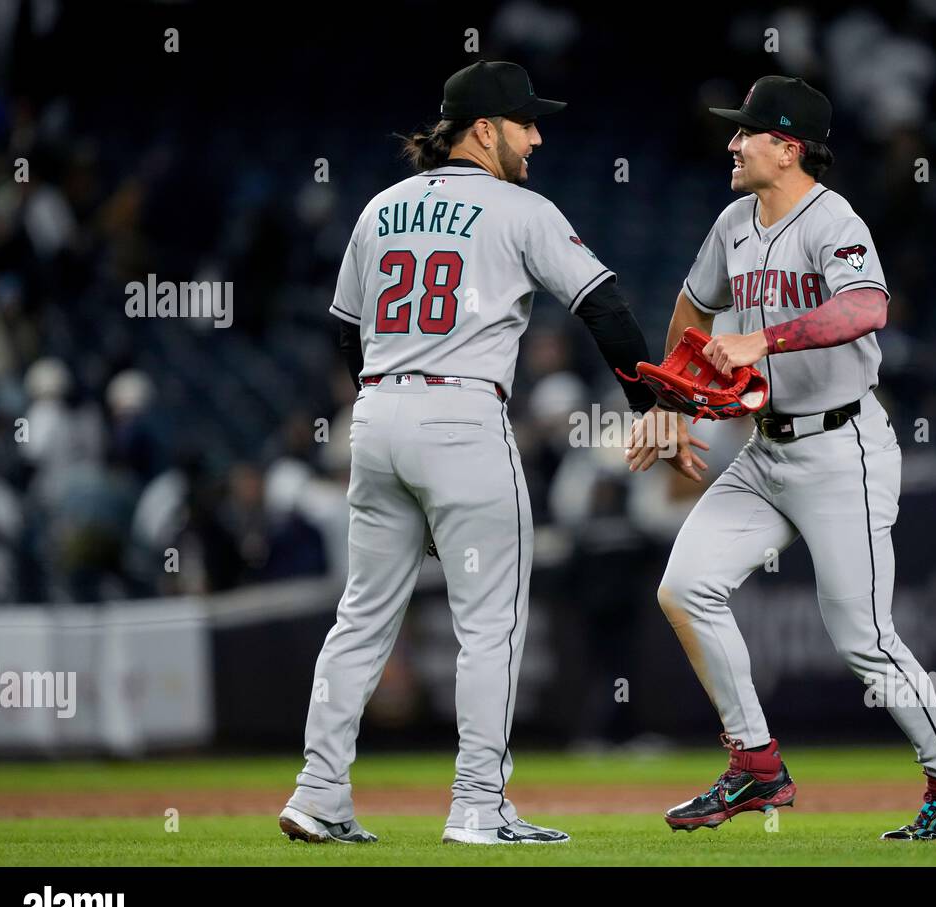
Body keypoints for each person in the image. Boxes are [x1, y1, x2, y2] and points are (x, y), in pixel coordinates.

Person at [280, 60, 657, 846]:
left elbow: (346, 330)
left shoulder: (379, 208)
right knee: (489, 623)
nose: (538, 135)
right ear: (484, 129)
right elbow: (607, 308)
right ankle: (479, 807)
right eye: (526, 122)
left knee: (361, 617)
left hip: (376, 415)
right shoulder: (521, 209)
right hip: (462, 414)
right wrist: (652, 409)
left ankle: (318, 792)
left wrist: (384, 401)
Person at [626, 76, 936, 840]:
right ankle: (755, 764)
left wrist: (761, 338)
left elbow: (868, 306)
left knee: (861, 634)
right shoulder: (734, 221)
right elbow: (694, 309)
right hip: (766, 452)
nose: (731, 143)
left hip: (841, 447)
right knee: (685, 588)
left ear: (787, 148)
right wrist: (671, 402)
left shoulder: (834, 219)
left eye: (746, 133)